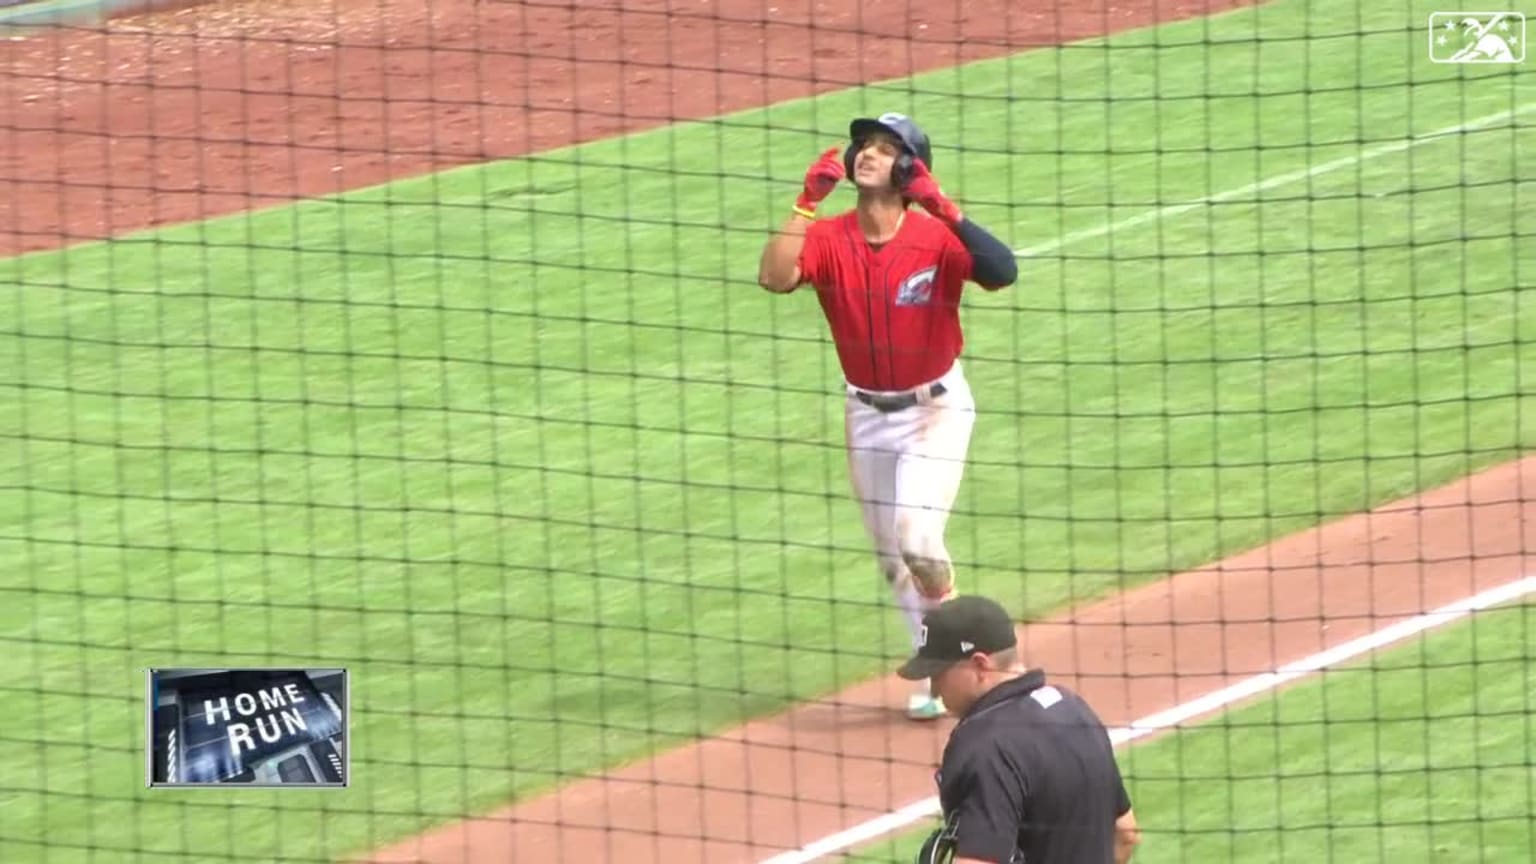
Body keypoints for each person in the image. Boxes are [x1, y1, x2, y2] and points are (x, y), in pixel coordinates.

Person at [756, 112, 1018, 719]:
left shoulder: (935, 239)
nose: (867, 155)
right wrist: (804, 204)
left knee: (918, 540)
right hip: (866, 414)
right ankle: (934, 668)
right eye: (863, 147)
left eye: (885, 149)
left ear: (908, 169)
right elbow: (774, 278)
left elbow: (1002, 272)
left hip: (937, 408)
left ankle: (964, 649)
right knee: (893, 560)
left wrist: (941, 205)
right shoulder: (828, 237)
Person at [897, 595, 1142, 863]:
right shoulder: (1074, 709)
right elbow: (1126, 832)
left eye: (939, 674)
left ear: (980, 665)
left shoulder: (984, 745)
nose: (934, 689)